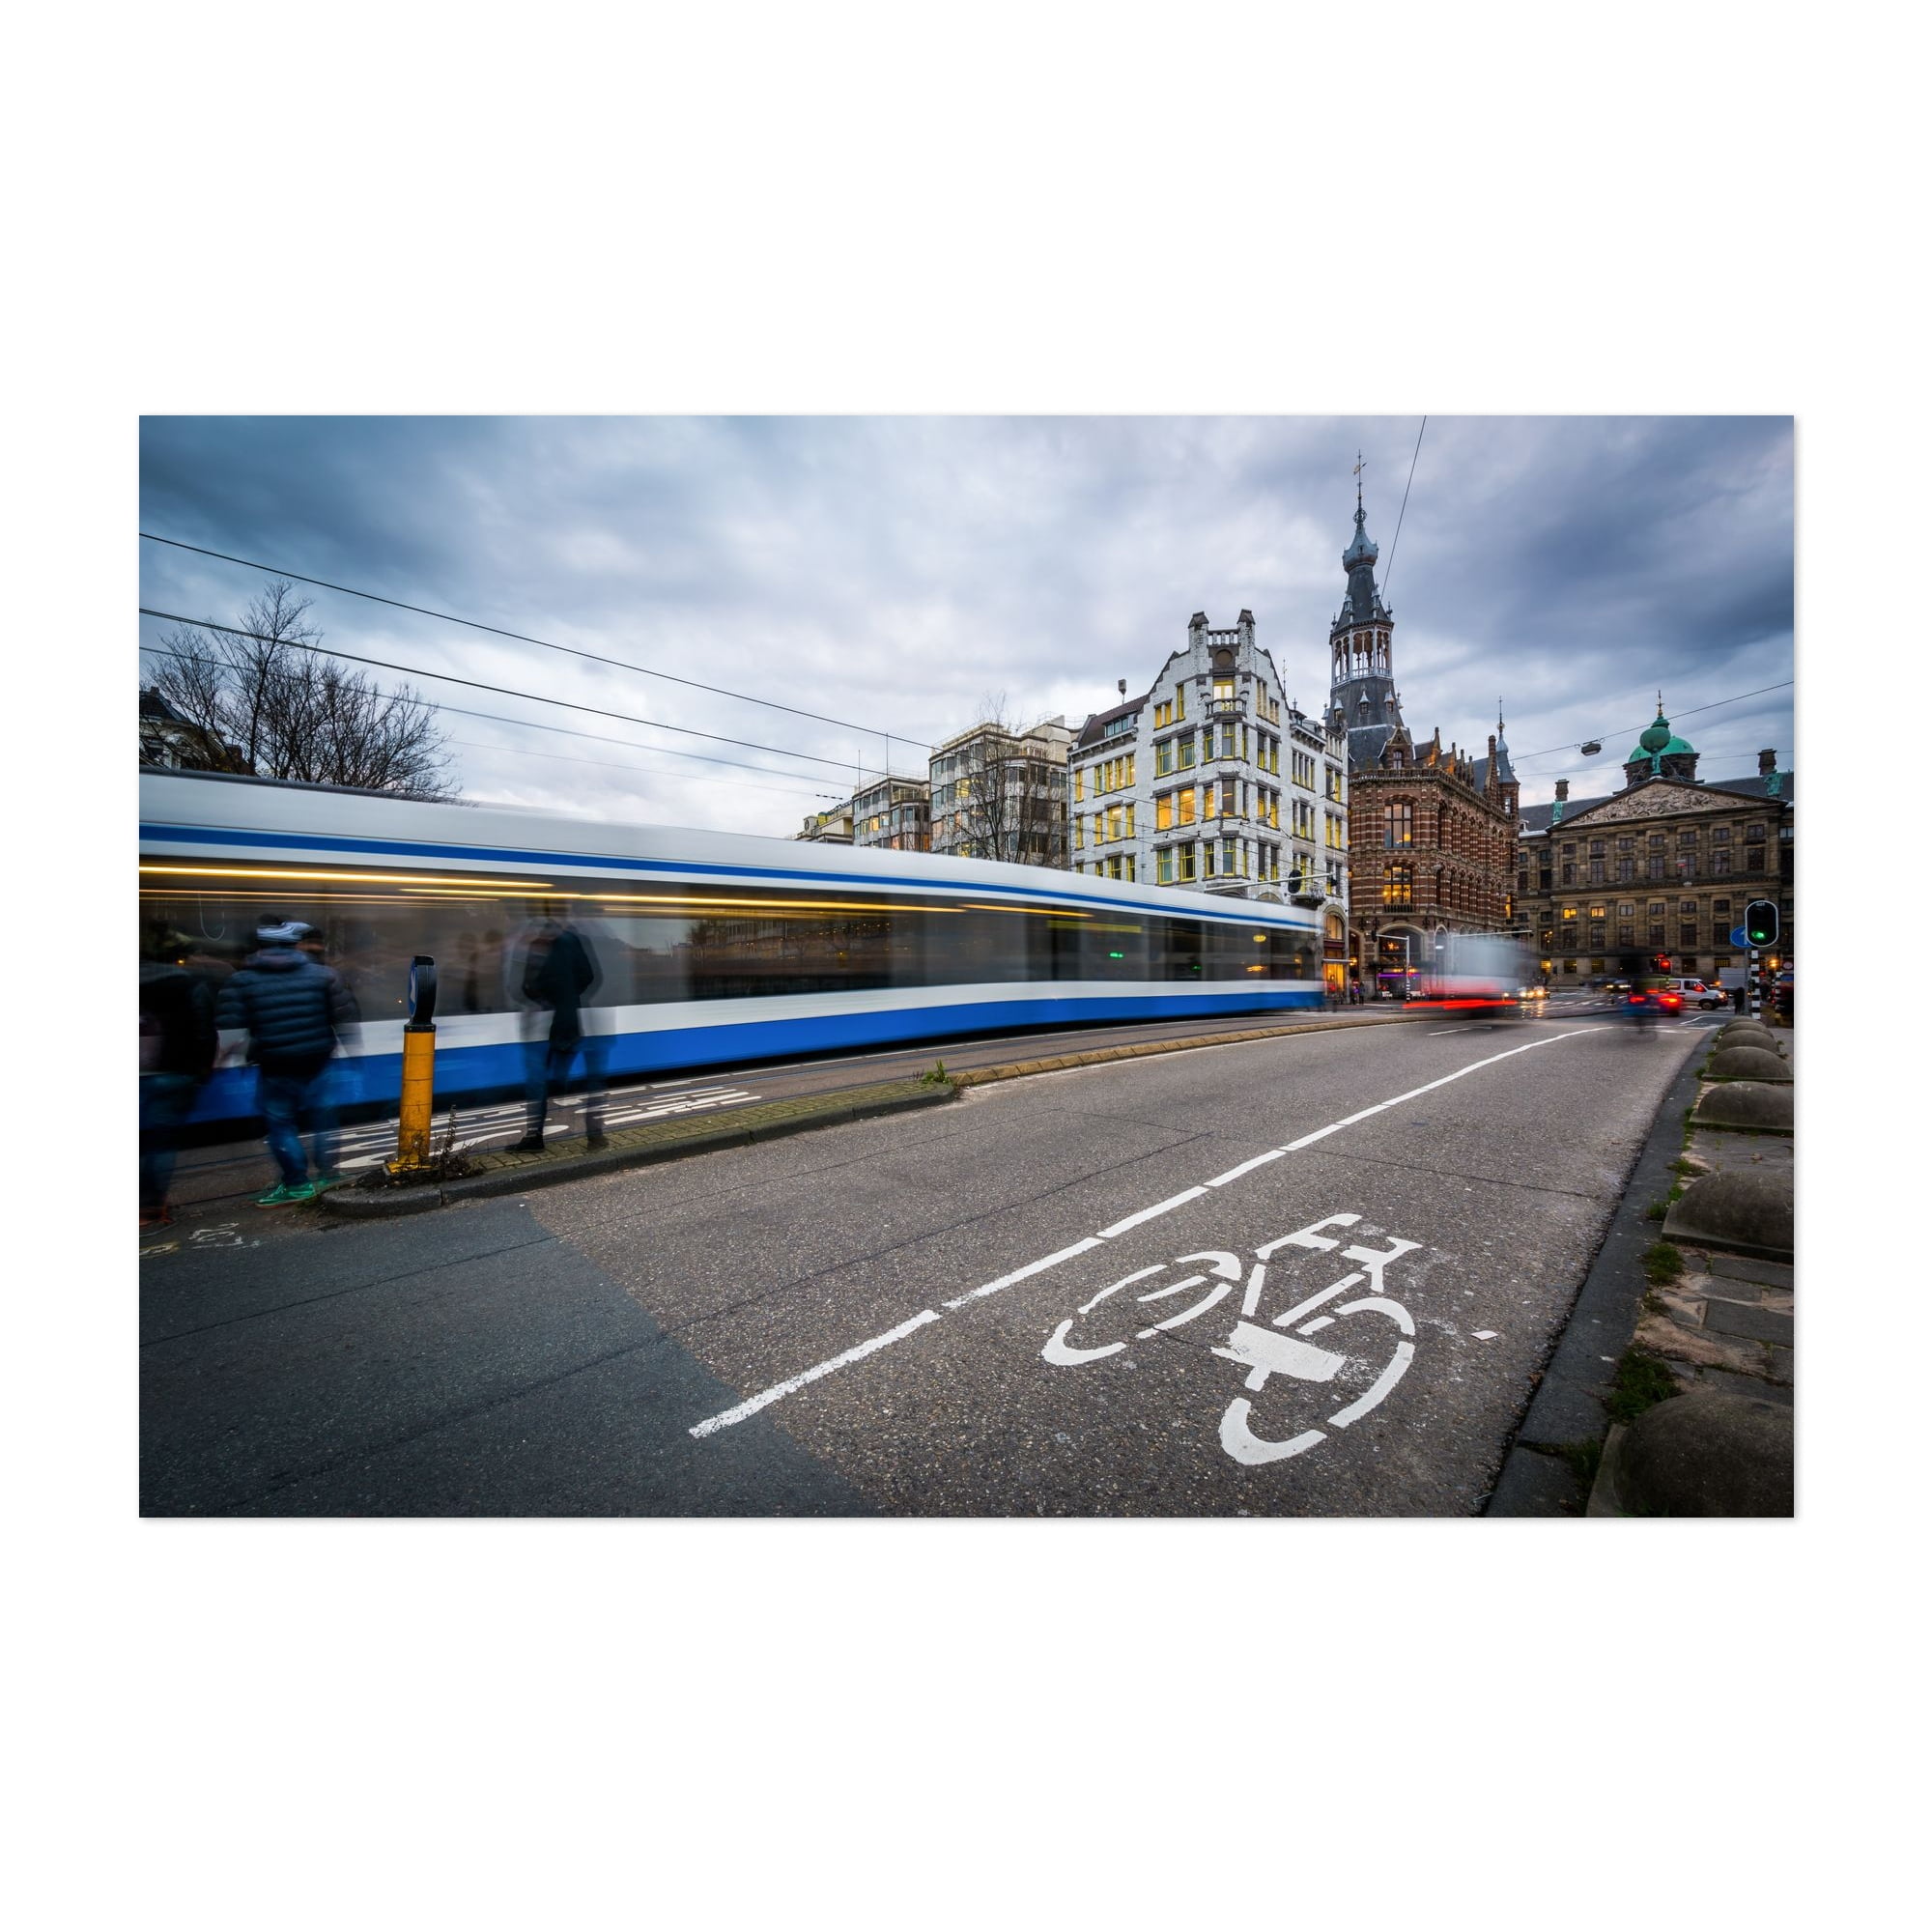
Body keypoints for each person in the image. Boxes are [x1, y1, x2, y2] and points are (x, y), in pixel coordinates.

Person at [215, 920, 357, 1207]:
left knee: (281, 1123)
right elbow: (344, 1016)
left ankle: (296, 1183)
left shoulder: (242, 980)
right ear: (295, 946)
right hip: (318, 1059)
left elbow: (230, 1028)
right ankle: (329, 1173)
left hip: (274, 1064)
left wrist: (227, 1059)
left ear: (261, 948)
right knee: (324, 1118)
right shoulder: (323, 975)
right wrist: (353, 1051)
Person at [140, 935, 216, 1230]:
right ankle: (149, 1208)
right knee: (160, 1144)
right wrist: (202, 1070)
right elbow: (205, 1031)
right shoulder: (187, 984)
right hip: (174, 1072)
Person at [512, 918, 608, 1151]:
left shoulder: (534, 946)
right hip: (573, 1020)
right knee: (586, 1079)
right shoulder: (574, 940)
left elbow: (523, 986)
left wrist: (542, 1001)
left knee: (538, 1081)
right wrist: (571, 998)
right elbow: (590, 976)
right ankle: (595, 1135)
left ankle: (535, 1136)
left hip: (543, 1024)